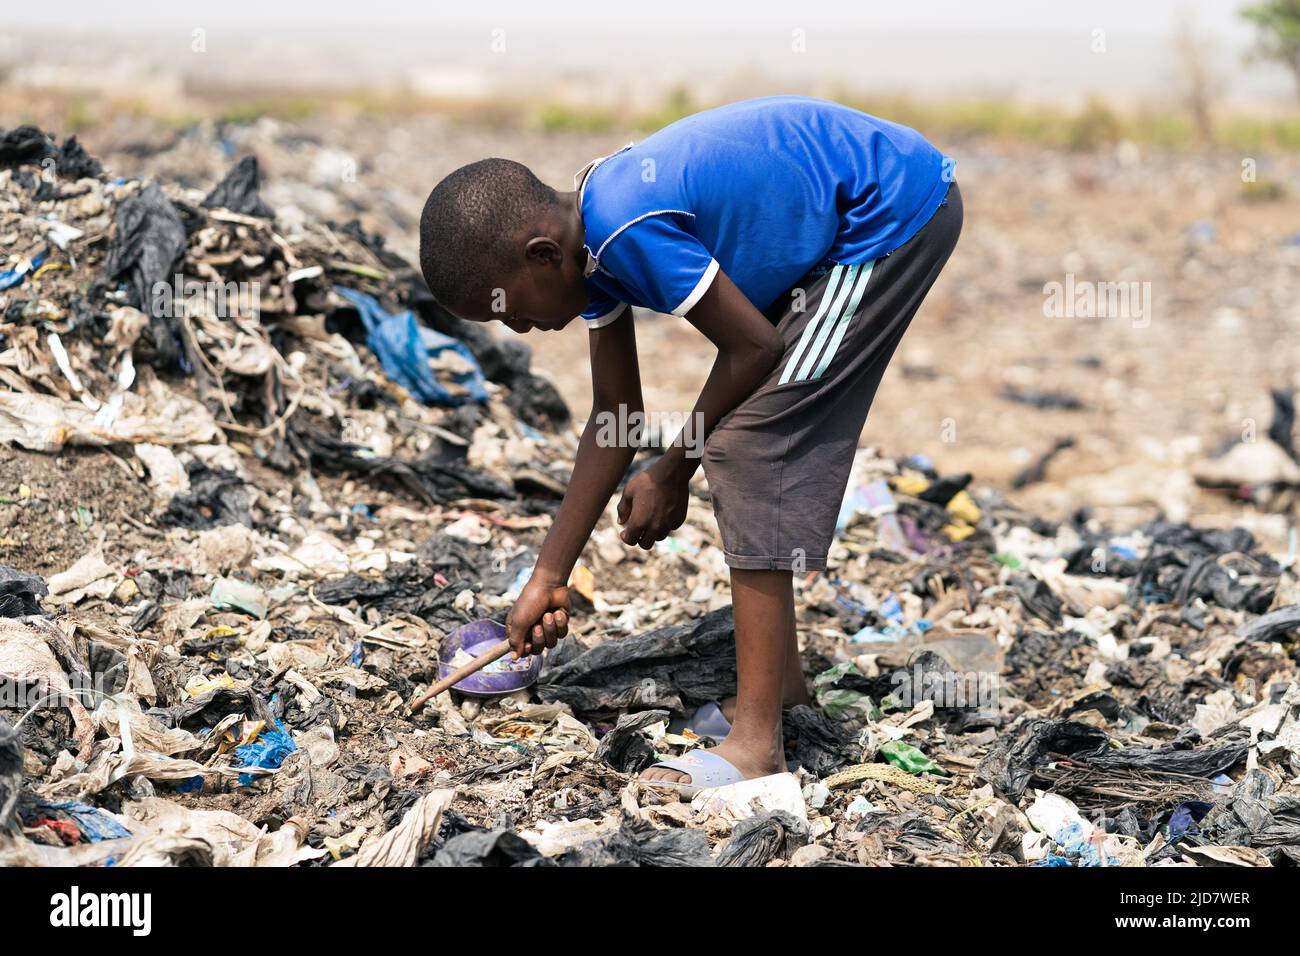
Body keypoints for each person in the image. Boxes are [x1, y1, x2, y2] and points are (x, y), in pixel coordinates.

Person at [418, 95, 962, 792]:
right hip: (830, 228)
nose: (520, 329)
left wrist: (674, 469)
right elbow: (615, 415)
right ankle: (785, 696)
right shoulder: (590, 243)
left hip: (886, 215)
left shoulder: (622, 228)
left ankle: (758, 745)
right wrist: (548, 576)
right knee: (739, 439)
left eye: (514, 309)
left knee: (748, 447)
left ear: (542, 255)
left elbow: (753, 346)